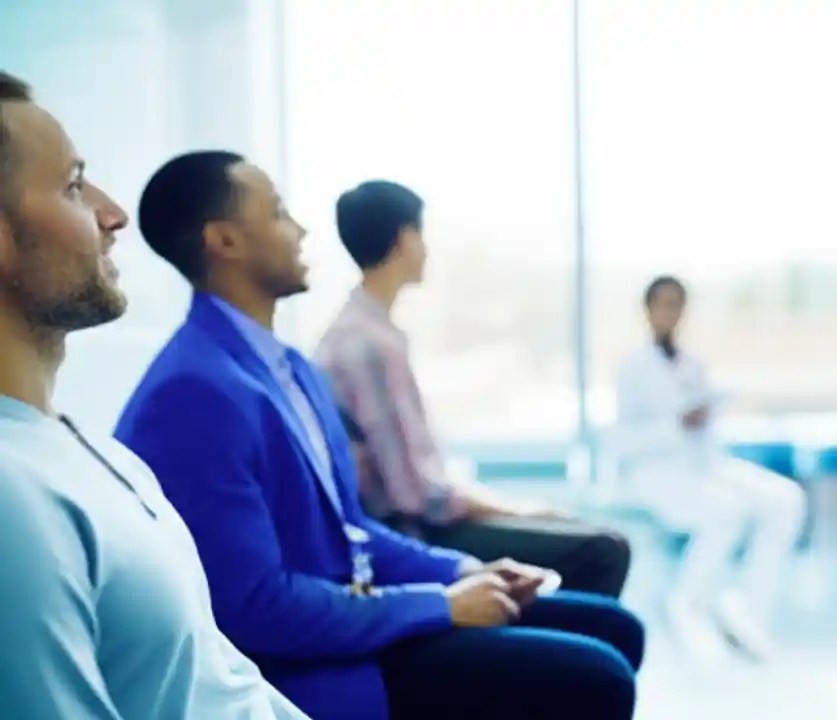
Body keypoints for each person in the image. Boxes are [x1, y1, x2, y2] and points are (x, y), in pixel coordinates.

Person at [115, 152, 644, 720]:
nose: (300, 229)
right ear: (225, 241)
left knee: (614, 627)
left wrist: (461, 570)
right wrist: (438, 605)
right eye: (278, 212)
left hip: (356, 619)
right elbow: (255, 608)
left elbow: (351, 530)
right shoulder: (195, 392)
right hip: (315, 667)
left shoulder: (289, 366)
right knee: (598, 677)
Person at [0, 72, 307, 719]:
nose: (113, 214)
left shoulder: (89, 452)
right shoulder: (12, 499)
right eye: (73, 185)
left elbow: (222, 683)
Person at [315, 180, 632, 598]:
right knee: (604, 550)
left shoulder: (352, 333)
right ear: (404, 238)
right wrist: (521, 509)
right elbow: (420, 497)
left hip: (411, 524)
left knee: (576, 532)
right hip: (415, 535)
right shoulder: (371, 346)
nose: (426, 249)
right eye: (421, 235)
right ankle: (548, 660)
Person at [615, 275, 806, 660]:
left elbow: (705, 437)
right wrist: (677, 425)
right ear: (648, 310)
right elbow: (623, 443)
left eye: (678, 305)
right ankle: (687, 604)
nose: (671, 313)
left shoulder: (693, 365)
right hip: (653, 471)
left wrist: (702, 419)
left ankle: (749, 613)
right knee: (725, 511)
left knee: (786, 500)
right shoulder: (633, 368)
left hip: (704, 463)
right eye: (664, 304)